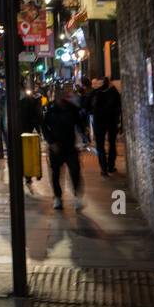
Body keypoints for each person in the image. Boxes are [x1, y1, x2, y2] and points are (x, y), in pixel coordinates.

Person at [42, 83, 87, 211]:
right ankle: (57, 197)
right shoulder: (50, 109)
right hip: (55, 147)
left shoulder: (72, 108)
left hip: (70, 146)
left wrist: (83, 139)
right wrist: (51, 142)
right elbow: (44, 127)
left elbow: (80, 124)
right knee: (56, 174)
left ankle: (77, 197)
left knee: (75, 171)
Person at [90, 77, 123, 176]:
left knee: (100, 146)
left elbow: (88, 105)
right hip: (111, 122)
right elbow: (119, 106)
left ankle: (104, 168)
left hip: (99, 122)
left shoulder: (96, 93)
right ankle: (111, 166)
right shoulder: (114, 92)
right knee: (112, 144)